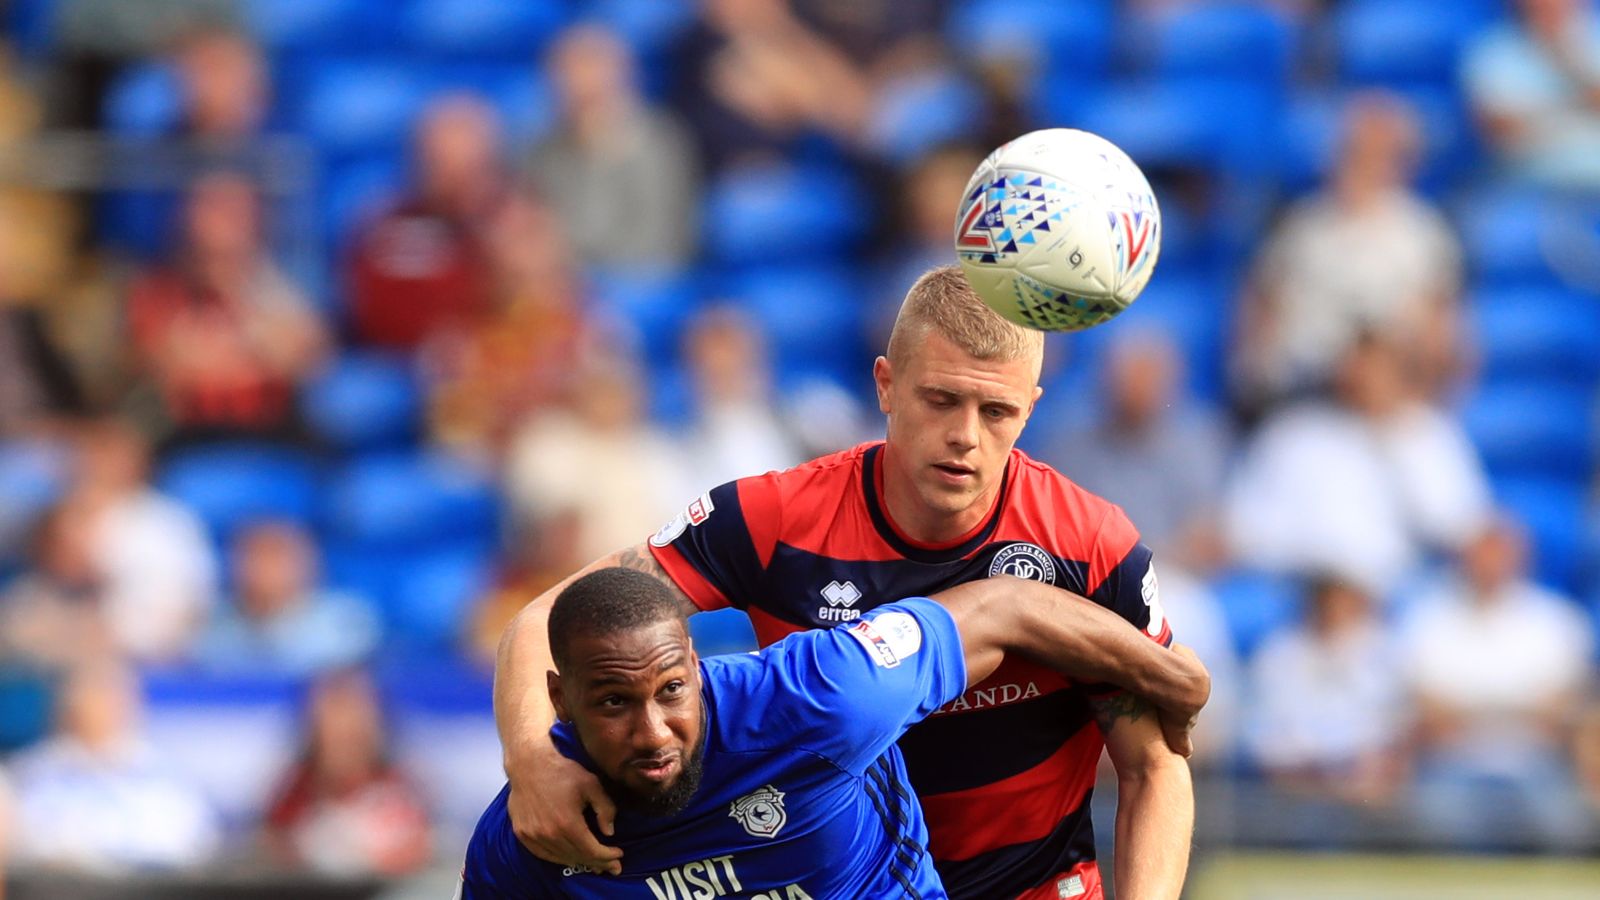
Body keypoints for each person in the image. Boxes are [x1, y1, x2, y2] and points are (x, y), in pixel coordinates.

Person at [493, 266, 1204, 899]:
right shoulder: (774, 518)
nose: (965, 435)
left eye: (996, 413)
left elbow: (1154, 770)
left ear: (1031, 408)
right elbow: (547, 621)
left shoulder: (1089, 544)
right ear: (886, 385)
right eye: (940, 400)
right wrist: (530, 756)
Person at [464, 566, 1201, 898]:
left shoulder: (819, 697)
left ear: (697, 661)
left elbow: (1003, 607)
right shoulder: (530, 836)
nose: (654, 731)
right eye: (614, 705)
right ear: (561, 701)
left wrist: (1171, 677)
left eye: (671, 691)